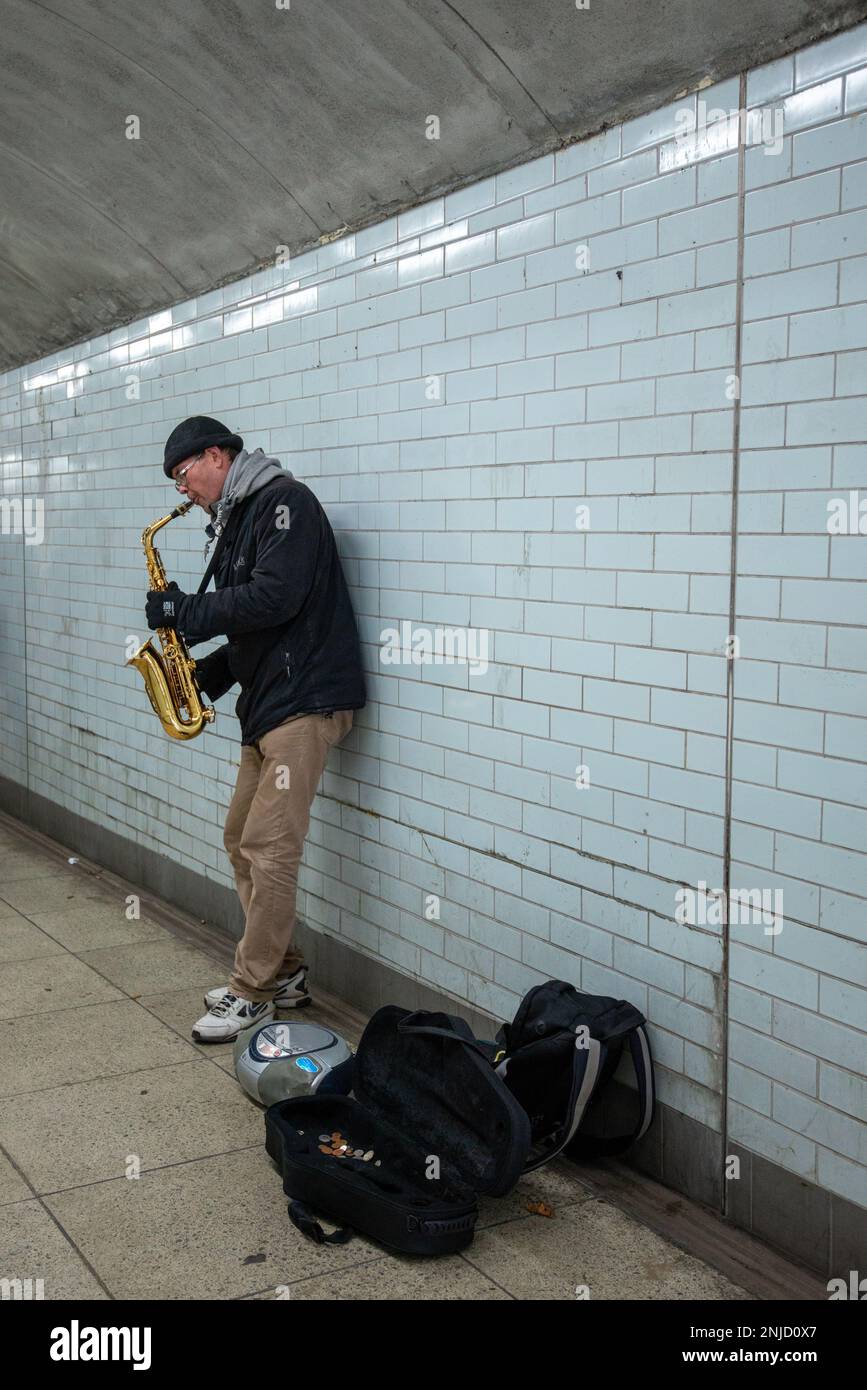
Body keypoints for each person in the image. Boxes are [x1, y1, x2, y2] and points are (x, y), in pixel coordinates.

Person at [145, 415, 366, 1042]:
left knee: (269, 848)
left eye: (184, 474)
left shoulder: (283, 504)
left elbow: (277, 598)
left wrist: (187, 612)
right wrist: (207, 674)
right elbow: (257, 627)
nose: (182, 490)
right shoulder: (239, 519)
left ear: (216, 455)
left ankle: (252, 990)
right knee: (240, 836)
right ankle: (286, 972)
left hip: (306, 703)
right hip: (269, 706)